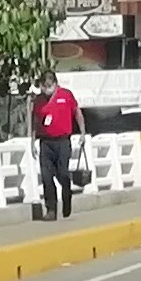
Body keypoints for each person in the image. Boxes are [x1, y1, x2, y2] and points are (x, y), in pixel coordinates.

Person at [32, 77, 81, 222]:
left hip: (62, 141)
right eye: (44, 86)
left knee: (62, 174)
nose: (46, 89)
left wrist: (82, 133)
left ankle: (67, 193)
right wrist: (32, 139)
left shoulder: (66, 95)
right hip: (45, 142)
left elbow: (77, 113)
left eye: (49, 86)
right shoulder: (39, 101)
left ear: (55, 84)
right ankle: (51, 209)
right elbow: (35, 121)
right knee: (47, 177)